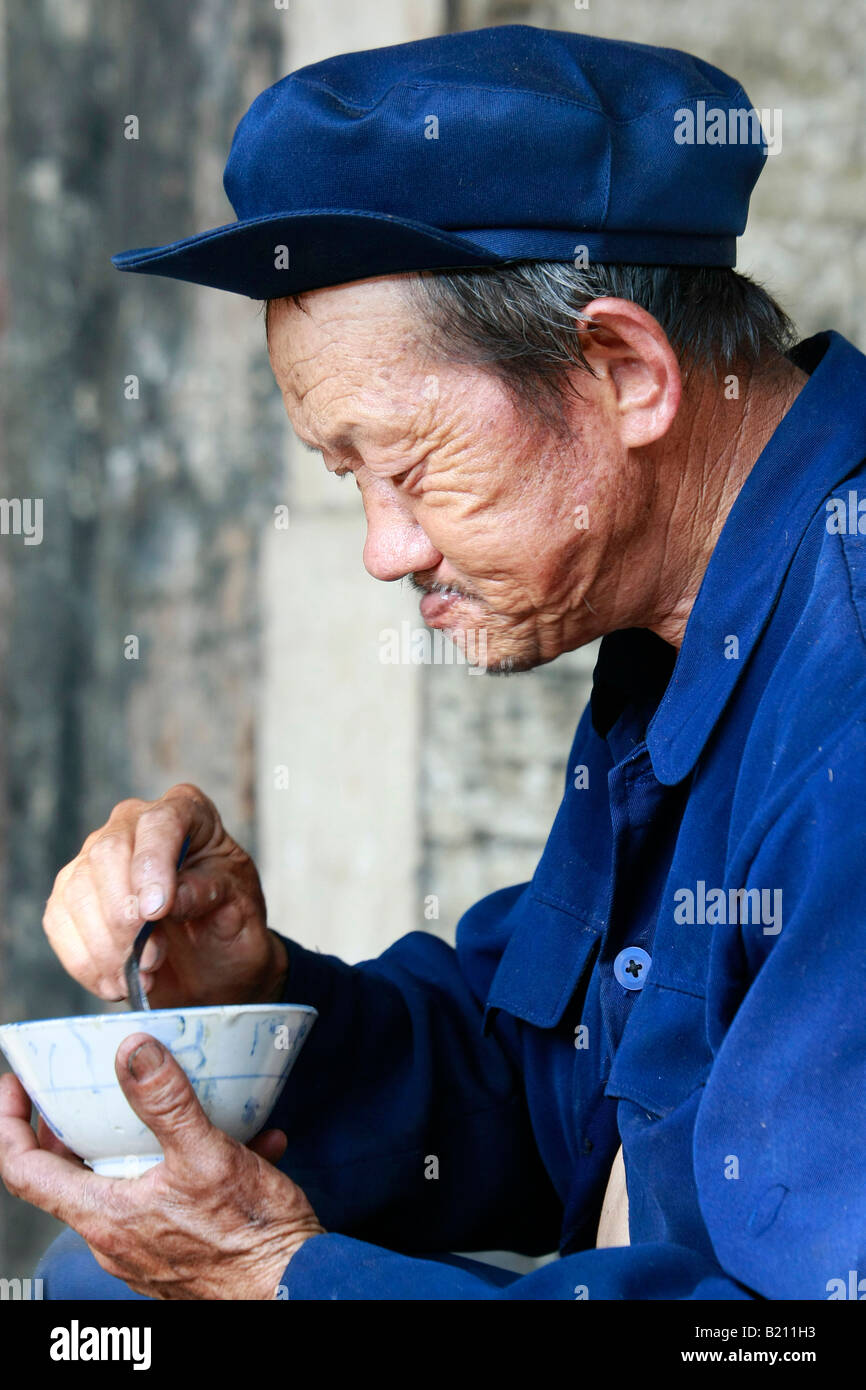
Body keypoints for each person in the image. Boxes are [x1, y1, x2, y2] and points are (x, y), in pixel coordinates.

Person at [2, 25, 864, 1301]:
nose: (383, 550)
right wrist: (262, 997)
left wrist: (275, 1276)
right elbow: (553, 1093)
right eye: (345, 479)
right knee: (103, 1295)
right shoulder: (681, 610)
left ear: (624, 370)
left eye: (408, 469)